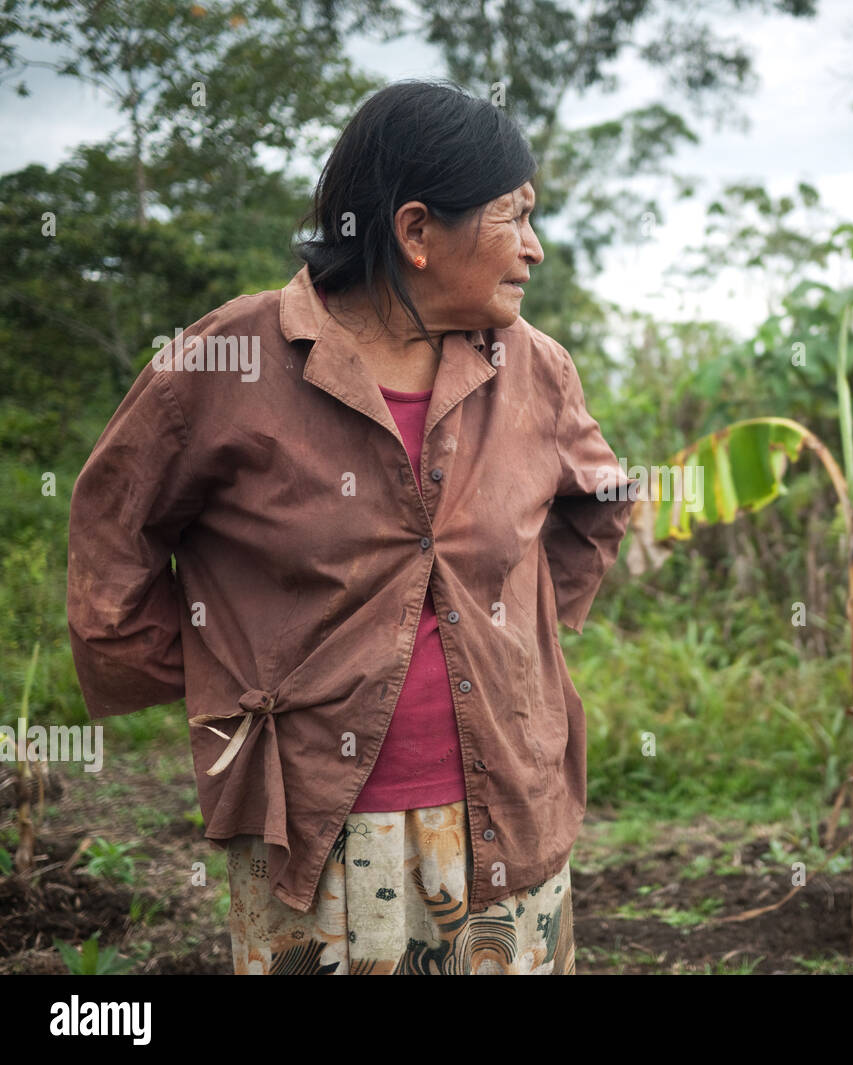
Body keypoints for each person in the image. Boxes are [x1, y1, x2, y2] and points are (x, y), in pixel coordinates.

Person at [66, 79, 637, 975]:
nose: (533, 248)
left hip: (506, 812)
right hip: (314, 826)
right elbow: (114, 527)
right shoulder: (229, 359)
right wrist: (221, 673)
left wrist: (518, 639)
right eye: (511, 216)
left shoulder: (535, 368)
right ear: (415, 232)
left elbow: (599, 501)